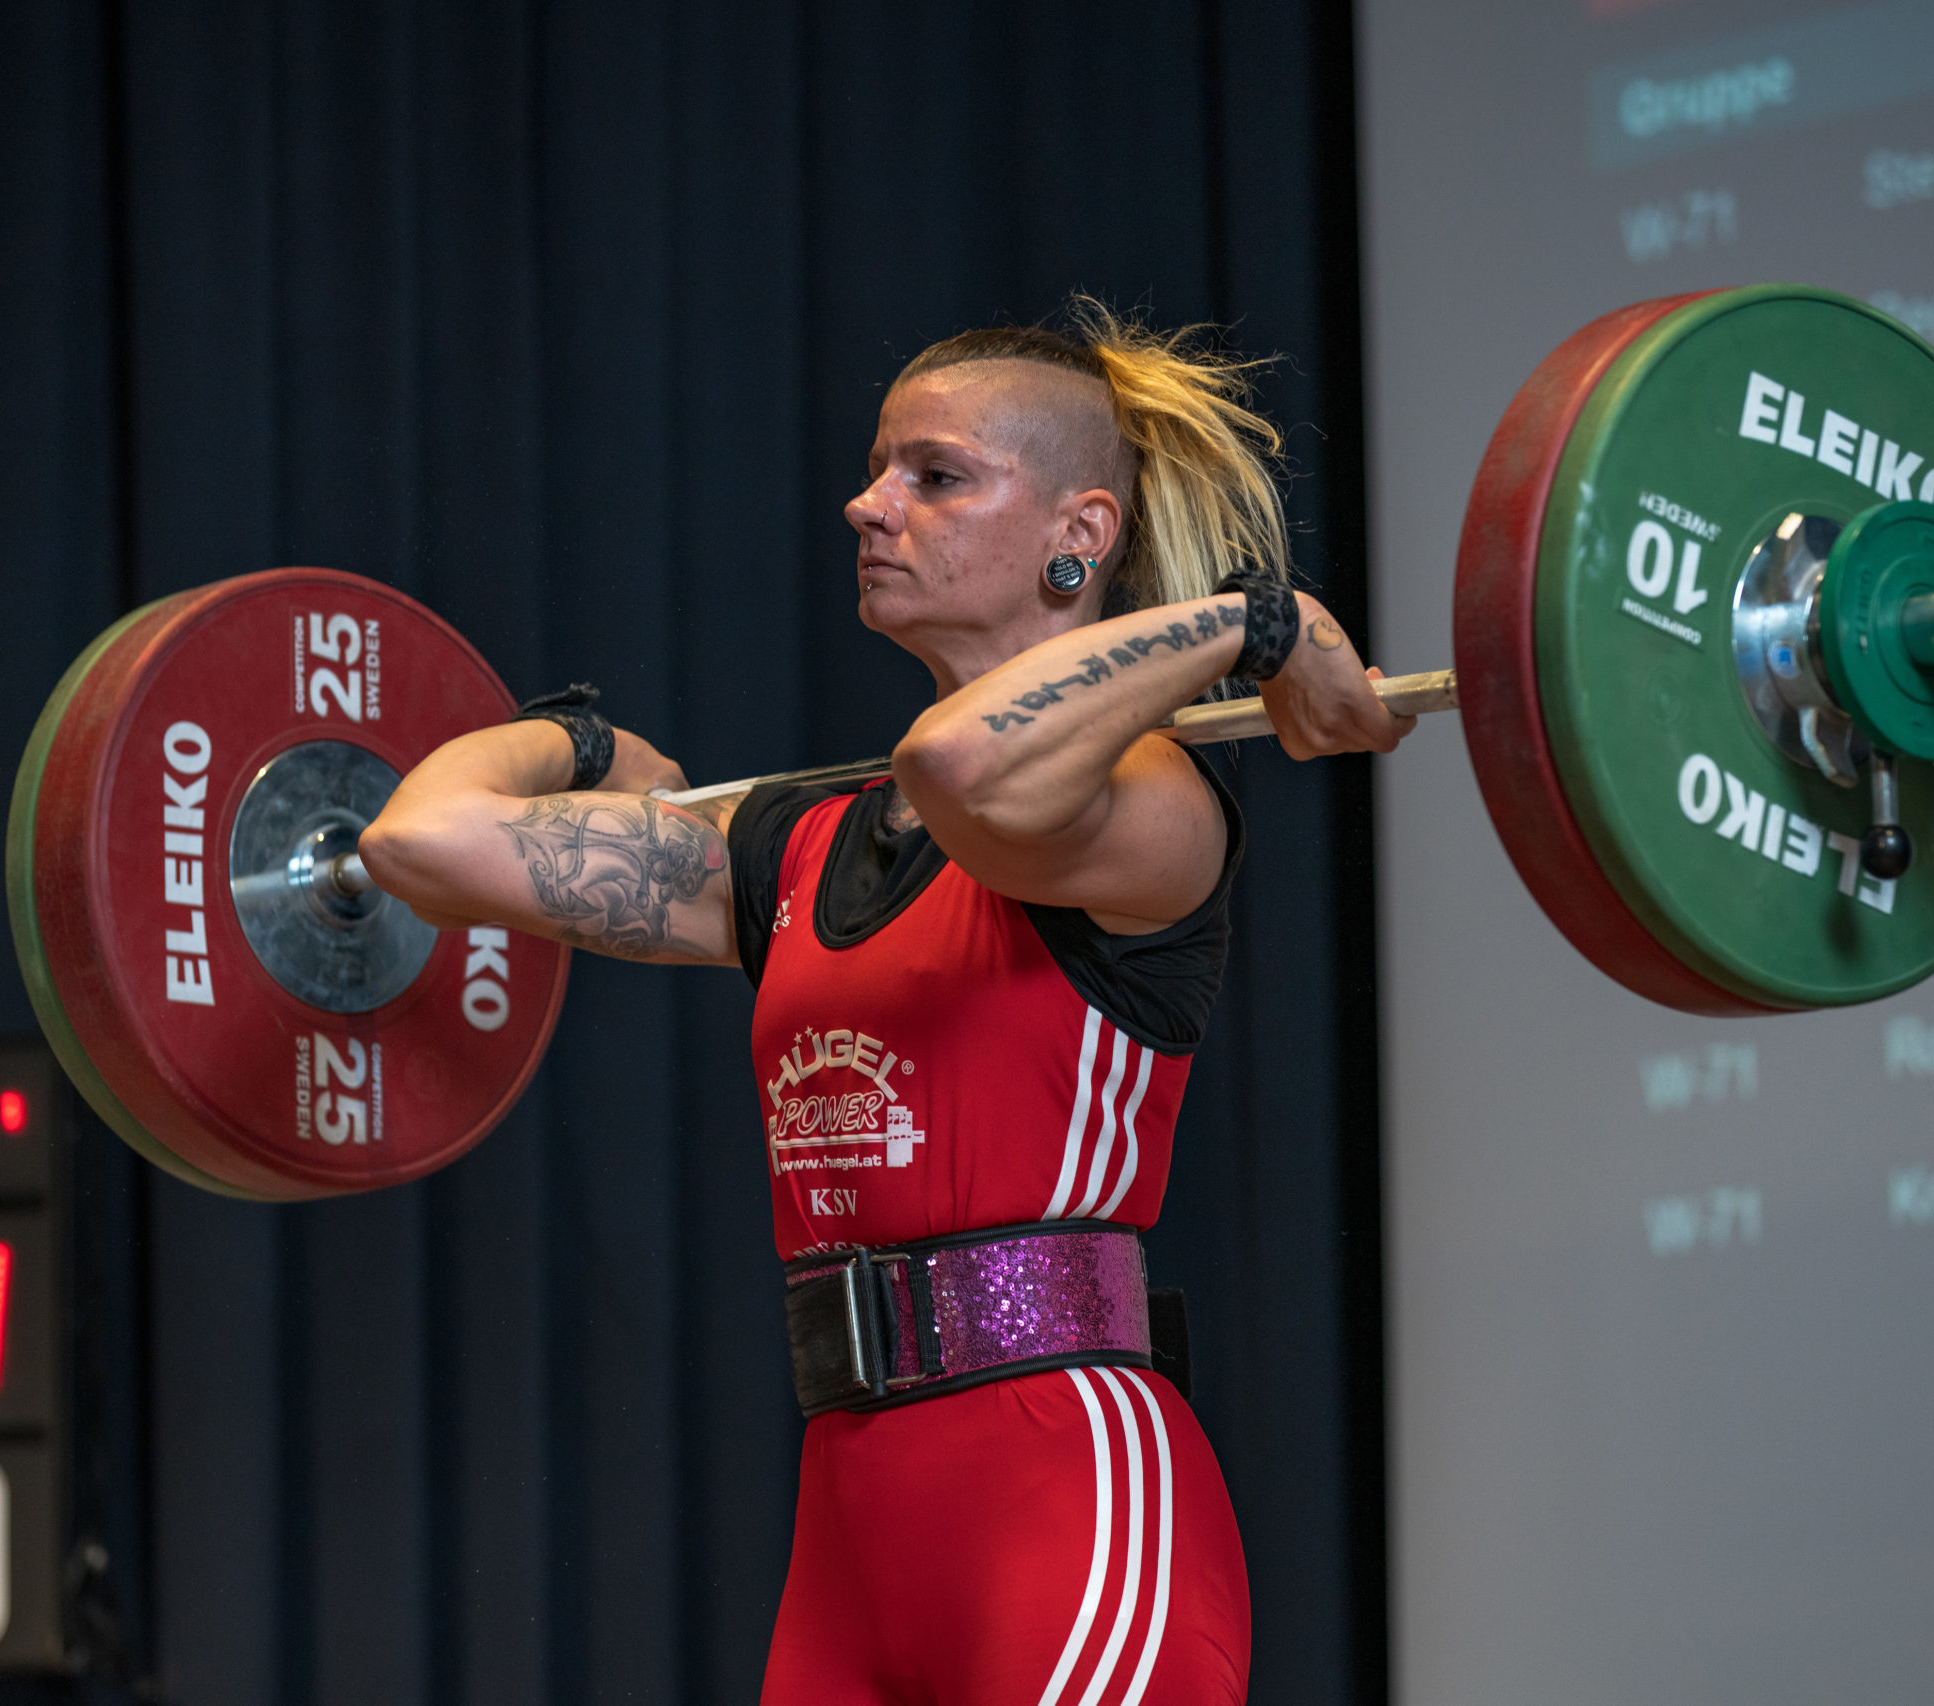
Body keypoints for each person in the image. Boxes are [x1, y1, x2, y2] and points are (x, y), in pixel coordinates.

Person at [361, 300, 1409, 1703]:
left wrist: (1251, 624)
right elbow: (418, 845)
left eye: (934, 475)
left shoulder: (1157, 804)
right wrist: (590, 734)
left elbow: (967, 769)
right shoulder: (796, 848)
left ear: (1077, 535)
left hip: (1069, 1491)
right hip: (852, 1512)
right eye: (876, 470)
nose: (869, 504)